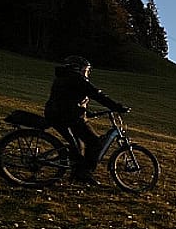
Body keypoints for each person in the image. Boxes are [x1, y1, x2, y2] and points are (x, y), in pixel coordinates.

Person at [44, 55, 130, 184]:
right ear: (77, 69)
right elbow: (96, 94)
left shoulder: (63, 77)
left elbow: (69, 98)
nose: (87, 73)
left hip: (57, 114)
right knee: (95, 143)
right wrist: (116, 106)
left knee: (79, 145)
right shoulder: (76, 79)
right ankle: (84, 173)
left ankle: (77, 170)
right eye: (86, 70)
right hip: (69, 117)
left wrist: (86, 112)